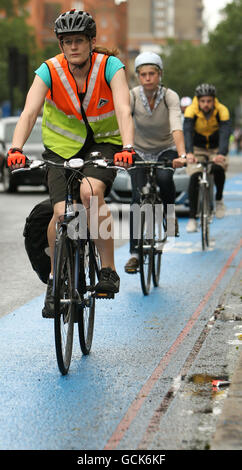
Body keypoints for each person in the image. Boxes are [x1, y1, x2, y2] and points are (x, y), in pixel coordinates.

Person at [7, 9, 135, 317]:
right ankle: (56, 279)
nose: (73, 47)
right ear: (60, 44)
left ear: (92, 41)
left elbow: (122, 108)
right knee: (64, 212)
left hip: (104, 145)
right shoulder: (49, 70)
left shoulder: (110, 66)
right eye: (67, 41)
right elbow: (28, 113)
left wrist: (128, 147)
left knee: (91, 194)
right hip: (60, 149)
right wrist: (15, 147)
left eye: (79, 40)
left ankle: (107, 269)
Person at [115, 51, 187, 273]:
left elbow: (176, 125)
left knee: (165, 179)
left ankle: (169, 217)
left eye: (152, 73)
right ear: (138, 76)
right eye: (143, 74)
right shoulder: (132, 95)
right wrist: (122, 151)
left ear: (160, 74)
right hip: (138, 150)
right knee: (137, 197)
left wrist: (182, 155)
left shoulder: (169, 96)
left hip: (165, 149)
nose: (147, 78)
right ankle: (135, 254)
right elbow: (123, 119)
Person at [184, 83, 232, 232]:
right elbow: (187, 132)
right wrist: (189, 152)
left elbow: (225, 134)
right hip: (197, 149)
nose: (206, 104)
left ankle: (218, 199)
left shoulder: (222, 111)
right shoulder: (191, 110)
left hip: (215, 148)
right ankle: (192, 218)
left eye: (209, 101)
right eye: (203, 101)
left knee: (218, 168)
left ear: (214, 100)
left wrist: (221, 154)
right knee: (194, 176)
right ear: (198, 100)